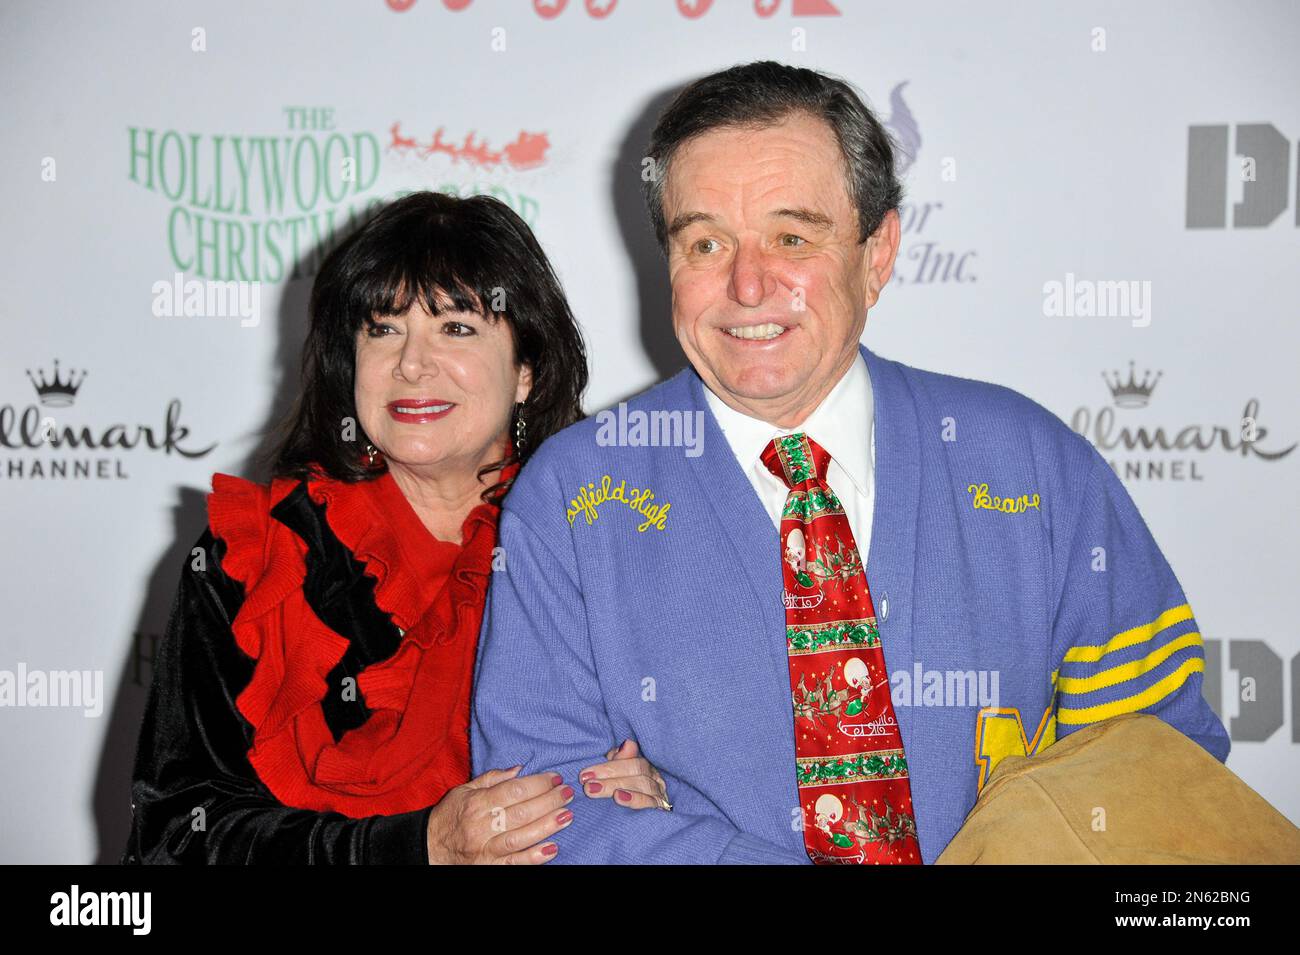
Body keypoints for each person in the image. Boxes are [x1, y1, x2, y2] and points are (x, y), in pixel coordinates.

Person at [469, 61, 1230, 864]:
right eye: (704, 242)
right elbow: (539, 816)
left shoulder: (1032, 464)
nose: (748, 283)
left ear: (877, 253)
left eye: (791, 237)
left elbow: (1159, 757)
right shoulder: (572, 498)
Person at [123, 191, 671, 865]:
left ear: (526, 370)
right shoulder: (256, 558)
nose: (412, 364)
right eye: (383, 328)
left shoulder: (609, 544)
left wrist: (658, 799)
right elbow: (174, 838)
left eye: (457, 327)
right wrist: (420, 847)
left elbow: (718, 774)